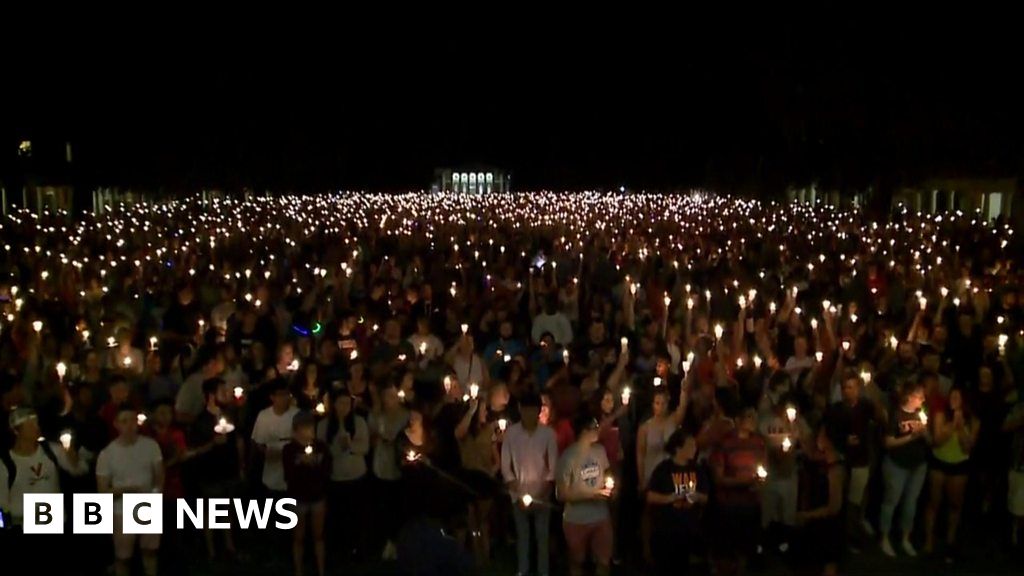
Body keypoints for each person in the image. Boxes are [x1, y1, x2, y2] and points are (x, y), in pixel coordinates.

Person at [96, 406, 165, 576]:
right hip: (121, 510)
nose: (129, 426)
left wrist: (155, 496)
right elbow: (103, 491)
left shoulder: (150, 446)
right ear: (116, 424)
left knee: (150, 553)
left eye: (132, 421)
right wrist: (128, 490)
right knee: (123, 558)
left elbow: (159, 474)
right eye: (124, 421)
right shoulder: (107, 454)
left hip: (148, 505)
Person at [187, 377, 245, 560]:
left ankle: (229, 546)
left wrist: (241, 464)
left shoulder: (229, 414)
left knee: (228, 508)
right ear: (211, 395)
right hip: (210, 472)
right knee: (210, 510)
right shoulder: (200, 420)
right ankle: (211, 549)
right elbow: (195, 450)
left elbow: (238, 440)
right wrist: (212, 443)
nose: (226, 394)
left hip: (229, 468)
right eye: (222, 391)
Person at [501, 393, 558, 576]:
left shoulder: (548, 434)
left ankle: (543, 571)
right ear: (520, 410)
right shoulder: (511, 434)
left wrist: (542, 493)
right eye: (525, 410)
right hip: (519, 493)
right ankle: (522, 570)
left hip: (542, 495)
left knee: (542, 537)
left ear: (539, 411)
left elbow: (553, 467)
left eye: (533, 410)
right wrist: (516, 491)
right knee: (523, 536)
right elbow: (505, 465)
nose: (529, 414)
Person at [710, 406, 767, 576]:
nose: (753, 421)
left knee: (746, 548)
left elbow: (763, 468)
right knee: (727, 550)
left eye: (755, 417)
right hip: (729, 505)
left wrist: (759, 482)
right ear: (739, 420)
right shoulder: (725, 443)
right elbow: (718, 478)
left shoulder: (759, 442)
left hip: (751, 504)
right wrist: (742, 482)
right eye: (749, 417)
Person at [824, 370, 877, 550]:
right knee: (840, 503)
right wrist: (843, 440)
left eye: (851, 387)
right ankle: (841, 538)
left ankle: (852, 536)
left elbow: (879, 420)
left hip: (860, 461)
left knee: (855, 502)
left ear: (858, 388)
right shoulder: (835, 410)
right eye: (845, 387)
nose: (848, 391)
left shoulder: (866, 406)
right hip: (841, 462)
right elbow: (829, 434)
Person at [923, 387, 978, 561]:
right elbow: (937, 441)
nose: (954, 398)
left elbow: (968, 447)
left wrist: (961, 429)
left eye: (958, 396)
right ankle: (928, 540)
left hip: (959, 465)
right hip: (939, 462)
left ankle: (950, 540)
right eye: (952, 395)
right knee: (934, 502)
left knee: (955, 504)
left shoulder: (974, 420)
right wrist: (951, 425)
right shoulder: (941, 415)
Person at [557, 415, 615, 576]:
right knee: (577, 561)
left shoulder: (600, 451)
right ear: (584, 430)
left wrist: (611, 488)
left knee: (604, 561)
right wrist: (591, 495)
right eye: (594, 426)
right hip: (576, 519)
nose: (598, 429)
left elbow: (606, 473)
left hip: (601, 517)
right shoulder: (568, 457)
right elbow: (561, 494)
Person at [317, 388, 370, 562]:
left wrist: (351, 446)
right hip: (336, 478)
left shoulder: (359, 422)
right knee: (337, 516)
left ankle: (356, 549)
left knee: (356, 515)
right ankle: (337, 551)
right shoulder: (324, 425)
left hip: (356, 476)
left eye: (348, 403)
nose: (345, 407)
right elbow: (321, 451)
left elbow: (365, 448)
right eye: (341, 403)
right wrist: (336, 448)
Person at [879, 380, 930, 558]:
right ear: (909, 397)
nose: (923, 400)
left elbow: (930, 441)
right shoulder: (896, 414)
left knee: (911, 502)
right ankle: (884, 537)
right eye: (919, 397)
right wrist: (911, 437)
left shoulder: (922, 413)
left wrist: (925, 434)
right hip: (896, 465)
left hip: (918, 465)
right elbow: (888, 442)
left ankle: (905, 537)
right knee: (891, 501)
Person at [646, 430, 709, 576]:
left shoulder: (697, 469)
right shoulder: (663, 469)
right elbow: (650, 496)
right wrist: (670, 498)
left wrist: (697, 496)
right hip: (667, 531)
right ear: (678, 448)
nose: (694, 448)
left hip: (689, 530)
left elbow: (706, 497)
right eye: (690, 445)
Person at [283, 410, 331, 576]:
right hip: (298, 497)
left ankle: (321, 569)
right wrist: (299, 462)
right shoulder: (289, 449)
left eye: (311, 427)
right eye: (306, 427)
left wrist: (315, 464)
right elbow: (288, 475)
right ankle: (298, 570)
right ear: (297, 430)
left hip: (317, 496)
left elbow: (327, 470)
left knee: (319, 535)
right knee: (298, 537)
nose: (310, 430)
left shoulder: (321, 447)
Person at [797, 427, 847, 576]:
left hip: (830, 527)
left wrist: (806, 516)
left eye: (822, 435)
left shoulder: (836, 468)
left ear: (830, 441)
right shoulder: (824, 458)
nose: (818, 437)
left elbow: (834, 507)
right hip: (819, 523)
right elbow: (810, 455)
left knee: (828, 565)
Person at [251, 379, 299, 496]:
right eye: (281, 395)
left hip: (293, 473)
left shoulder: (297, 414)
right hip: (272, 473)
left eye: (287, 394)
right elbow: (257, 442)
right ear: (272, 397)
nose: (285, 398)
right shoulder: (264, 416)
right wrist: (266, 452)